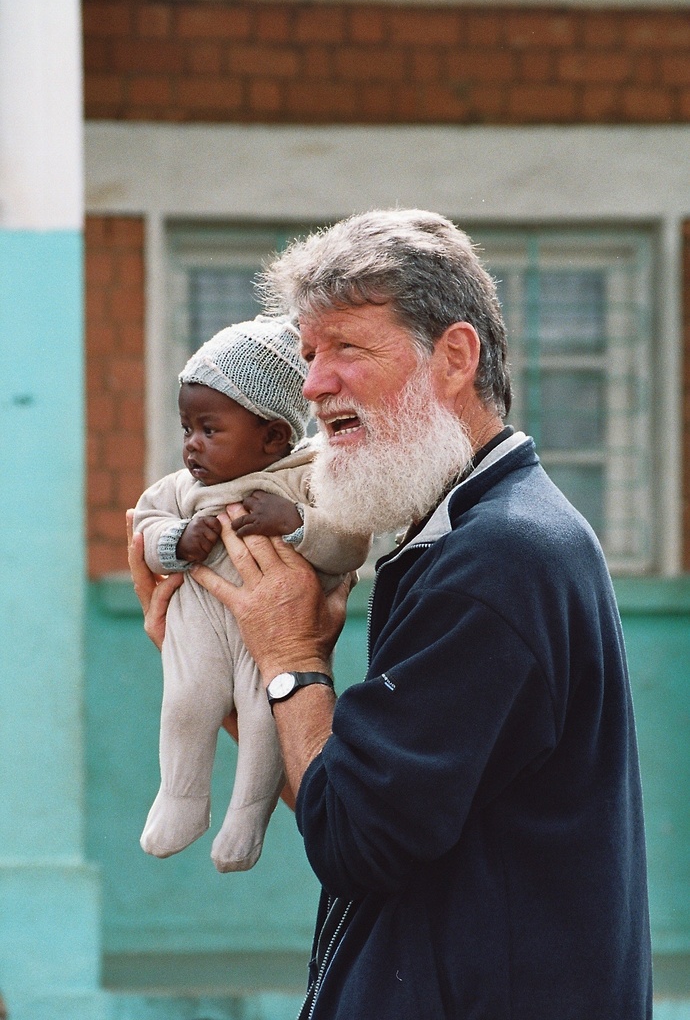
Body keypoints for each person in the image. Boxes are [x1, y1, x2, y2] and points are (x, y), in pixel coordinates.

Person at [129, 209, 653, 1018]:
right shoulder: (462, 534)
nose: (311, 385)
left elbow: (355, 843)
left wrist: (290, 655)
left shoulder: (497, 560)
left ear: (454, 357)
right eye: (308, 355)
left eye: (346, 348)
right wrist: (247, 665)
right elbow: (354, 797)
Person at [133, 315, 370, 872]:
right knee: (187, 703)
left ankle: (248, 817)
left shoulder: (309, 478)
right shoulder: (183, 487)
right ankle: (181, 799)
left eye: (209, 429)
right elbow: (142, 529)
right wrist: (176, 541)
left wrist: (296, 524)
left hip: (278, 630)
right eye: (186, 427)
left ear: (273, 435)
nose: (192, 444)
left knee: (268, 718)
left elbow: (349, 545)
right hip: (198, 621)